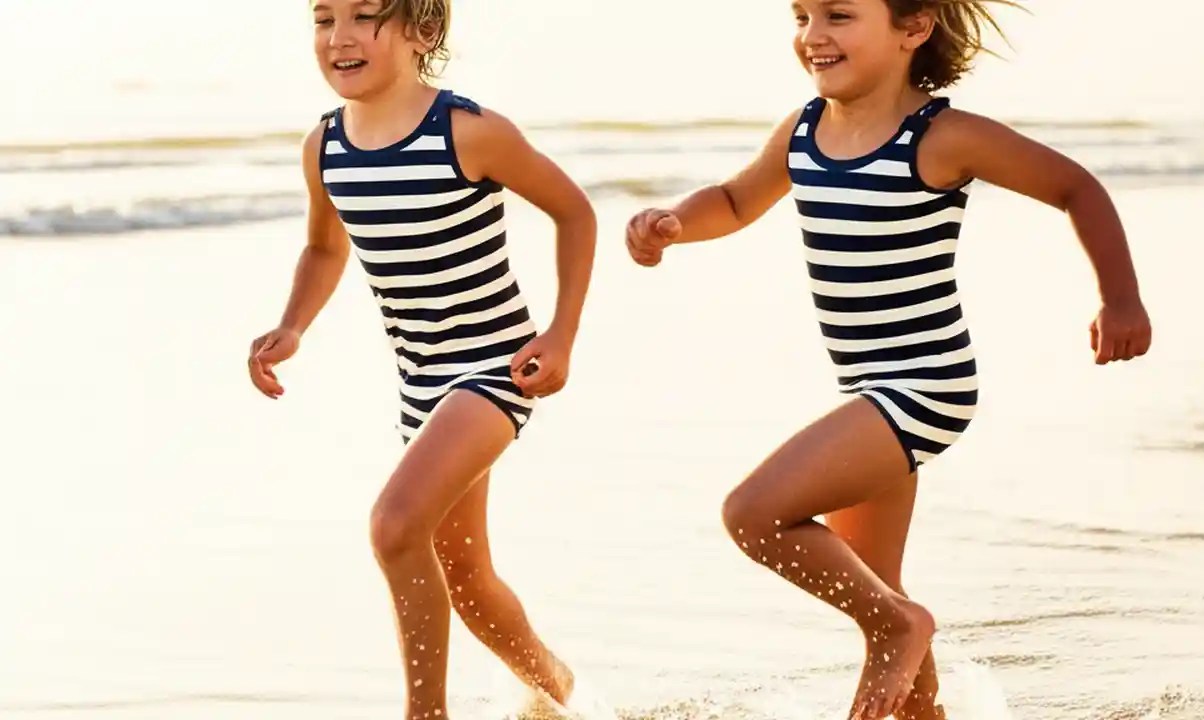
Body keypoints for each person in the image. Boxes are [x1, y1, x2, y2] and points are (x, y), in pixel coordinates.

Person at [623, 1, 1152, 718]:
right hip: (866, 392)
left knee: (754, 515)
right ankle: (916, 691)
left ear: (914, 28)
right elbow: (736, 200)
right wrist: (676, 224)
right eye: (802, 14)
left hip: (924, 388)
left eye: (839, 15)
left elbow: (1074, 187)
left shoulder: (940, 136)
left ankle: (899, 626)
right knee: (877, 588)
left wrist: (1119, 298)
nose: (814, 35)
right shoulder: (804, 128)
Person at [247, 1, 597, 718]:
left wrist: (560, 334)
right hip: (419, 381)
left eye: (366, 15)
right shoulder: (325, 147)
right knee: (464, 573)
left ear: (422, 32)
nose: (340, 36)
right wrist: (292, 326)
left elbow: (573, 212)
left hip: (496, 369)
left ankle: (423, 713)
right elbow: (324, 247)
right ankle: (557, 690)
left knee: (394, 524)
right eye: (323, 18)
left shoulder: (468, 132)